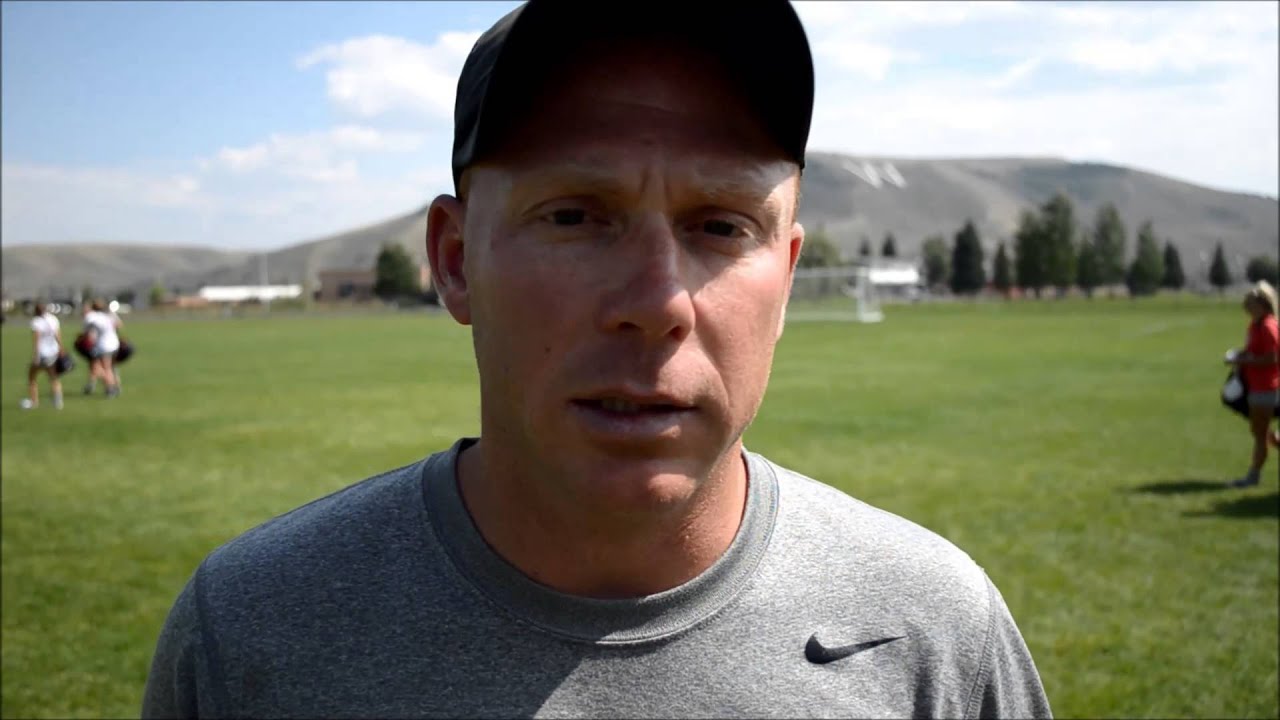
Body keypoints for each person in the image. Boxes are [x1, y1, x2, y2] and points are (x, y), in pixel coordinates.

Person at [142, 2, 1052, 717]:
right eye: (575, 215)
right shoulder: (257, 631)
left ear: (785, 276)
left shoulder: (934, 631)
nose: (657, 303)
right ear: (455, 262)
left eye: (720, 226)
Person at [1225, 280, 1280, 487]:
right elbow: (1255, 350)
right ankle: (1254, 474)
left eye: (1250, 305)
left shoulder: (1268, 326)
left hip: (1266, 386)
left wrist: (1243, 361)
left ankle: (1253, 477)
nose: (1246, 309)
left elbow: (1272, 358)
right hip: (1255, 384)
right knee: (1260, 431)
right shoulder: (1256, 325)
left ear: (1262, 304)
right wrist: (1241, 354)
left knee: (1260, 434)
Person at [21, 301, 65, 410]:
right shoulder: (53, 319)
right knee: (53, 378)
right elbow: (57, 335)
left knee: (32, 377)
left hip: (43, 354)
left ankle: (34, 401)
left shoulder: (36, 321)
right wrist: (61, 348)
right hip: (53, 352)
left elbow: (37, 340)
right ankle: (58, 402)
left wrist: (36, 356)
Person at [81, 299, 122, 398]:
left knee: (102, 367)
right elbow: (118, 325)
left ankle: (110, 388)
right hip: (114, 343)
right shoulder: (107, 315)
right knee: (111, 367)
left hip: (104, 345)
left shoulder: (91, 317)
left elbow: (86, 332)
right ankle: (116, 386)